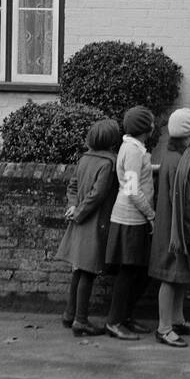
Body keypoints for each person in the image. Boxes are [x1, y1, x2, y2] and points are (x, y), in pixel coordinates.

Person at [148, 107, 190, 347]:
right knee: (170, 276)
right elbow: (183, 202)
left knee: (180, 275)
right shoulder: (180, 161)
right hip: (176, 232)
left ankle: (177, 319)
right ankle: (164, 328)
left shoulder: (173, 155)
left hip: (170, 226)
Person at [57, 118, 122, 337]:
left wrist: (73, 205)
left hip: (80, 220)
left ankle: (69, 314)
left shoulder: (84, 158)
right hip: (95, 222)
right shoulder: (109, 163)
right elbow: (98, 194)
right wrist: (80, 211)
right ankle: (81, 320)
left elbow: (73, 185)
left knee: (79, 268)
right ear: (112, 141)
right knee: (88, 271)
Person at [104, 106, 158, 340]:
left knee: (138, 272)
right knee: (129, 272)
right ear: (145, 128)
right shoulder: (134, 151)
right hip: (130, 219)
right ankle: (114, 322)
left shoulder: (132, 148)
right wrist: (151, 214)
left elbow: (134, 177)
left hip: (130, 218)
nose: (155, 125)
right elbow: (132, 189)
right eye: (152, 122)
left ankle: (125, 317)